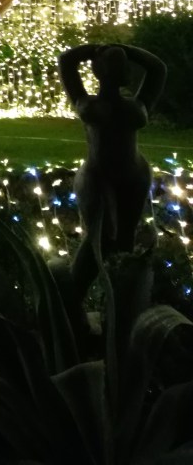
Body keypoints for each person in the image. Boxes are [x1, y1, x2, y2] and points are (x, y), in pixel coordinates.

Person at [57, 43, 167, 304]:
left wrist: (125, 49)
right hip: (97, 177)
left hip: (134, 176)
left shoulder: (136, 105)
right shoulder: (87, 103)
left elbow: (158, 69)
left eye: (125, 64)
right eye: (117, 65)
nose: (126, 70)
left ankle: (119, 304)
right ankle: (73, 298)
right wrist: (95, 50)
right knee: (97, 238)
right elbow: (66, 61)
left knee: (125, 241)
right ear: (102, 72)